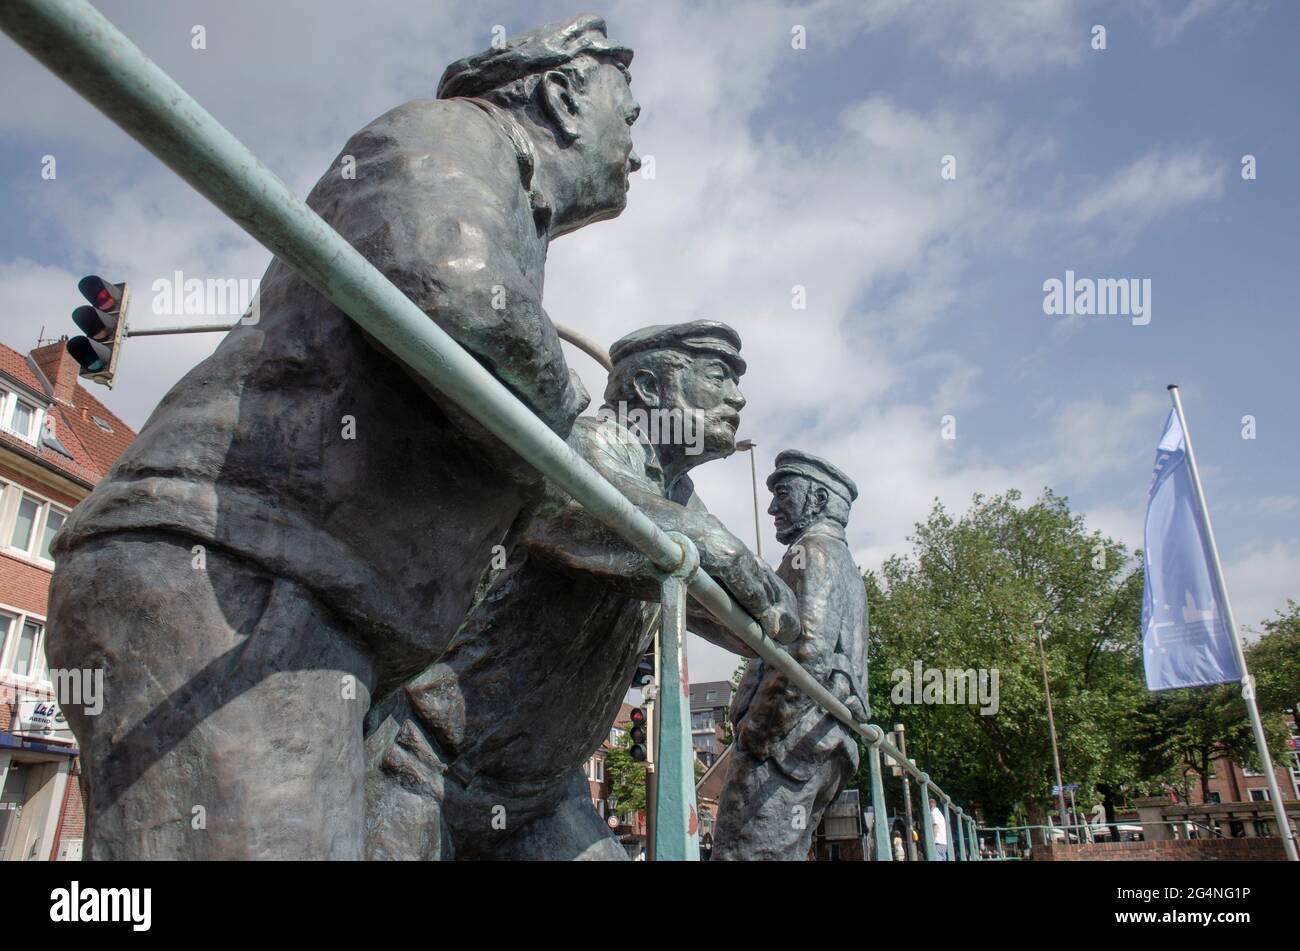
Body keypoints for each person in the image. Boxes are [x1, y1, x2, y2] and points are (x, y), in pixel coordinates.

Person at [47, 15, 642, 860]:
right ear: (563, 94)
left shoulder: (513, 205)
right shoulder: (454, 135)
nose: (638, 148)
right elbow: (452, 283)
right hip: (234, 574)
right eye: (631, 115)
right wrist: (573, 431)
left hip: (325, 618)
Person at [364, 321, 799, 859]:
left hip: (541, 796)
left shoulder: (678, 496)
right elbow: (605, 514)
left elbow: (749, 624)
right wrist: (728, 559)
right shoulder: (582, 443)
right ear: (646, 387)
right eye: (719, 376)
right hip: (427, 763)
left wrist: (760, 593)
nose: (739, 396)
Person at [707, 451, 870, 860]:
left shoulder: (812, 553)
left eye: (783, 493)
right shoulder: (846, 565)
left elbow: (807, 650)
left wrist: (757, 733)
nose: (772, 507)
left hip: (786, 747)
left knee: (744, 853)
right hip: (823, 745)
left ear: (816, 499)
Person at [930, 796, 949, 860]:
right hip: (943, 842)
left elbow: (936, 825)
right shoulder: (939, 813)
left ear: (930, 805)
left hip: (938, 841)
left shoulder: (934, 812)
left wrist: (932, 839)